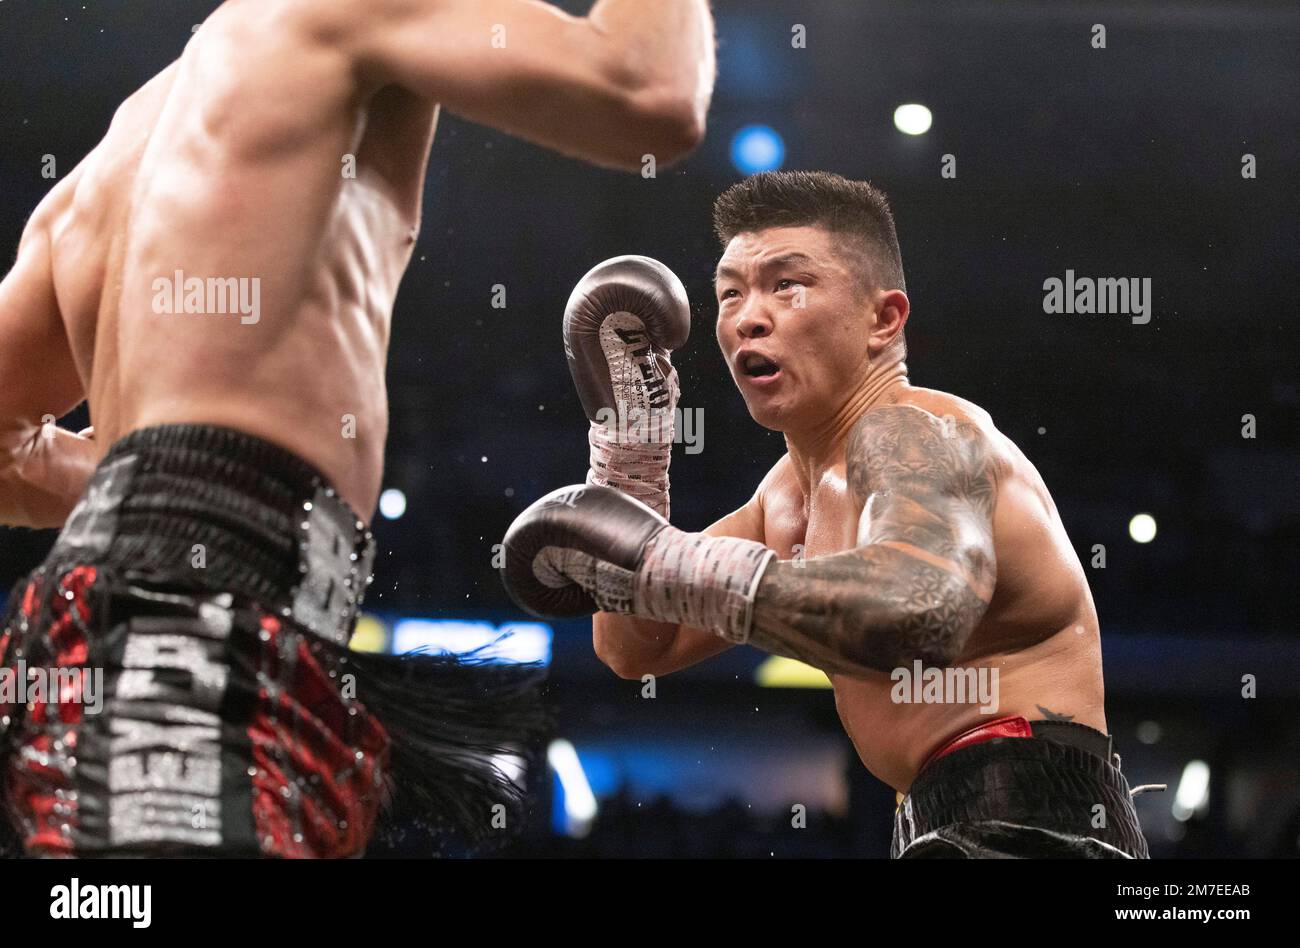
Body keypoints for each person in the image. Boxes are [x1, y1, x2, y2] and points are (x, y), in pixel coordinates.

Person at [0, 0, 716, 857]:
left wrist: (175, 506)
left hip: (187, 617)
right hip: (179, 633)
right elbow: (649, 91)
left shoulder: (114, 155)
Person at [502, 170, 1155, 858]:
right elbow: (635, 649)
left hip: (1035, 817)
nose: (749, 315)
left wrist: (670, 561)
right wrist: (633, 458)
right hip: (938, 818)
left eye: (788, 284)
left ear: (884, 319)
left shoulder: (918, 433)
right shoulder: (783, 499)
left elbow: (918, 610)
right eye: (730, 292)